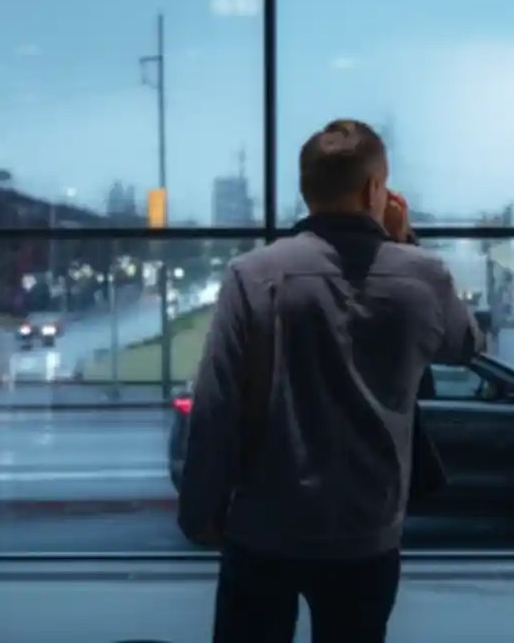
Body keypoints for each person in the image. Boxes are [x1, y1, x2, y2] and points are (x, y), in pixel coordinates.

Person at [178, 119, 484, 642]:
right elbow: (466, 345)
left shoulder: (253, 275)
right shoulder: (422, 275)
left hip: (263, 527)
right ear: (374, 190)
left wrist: (200, 510)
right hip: (365, 531)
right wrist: (404, 240)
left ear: (306, 190)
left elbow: (215, 403)